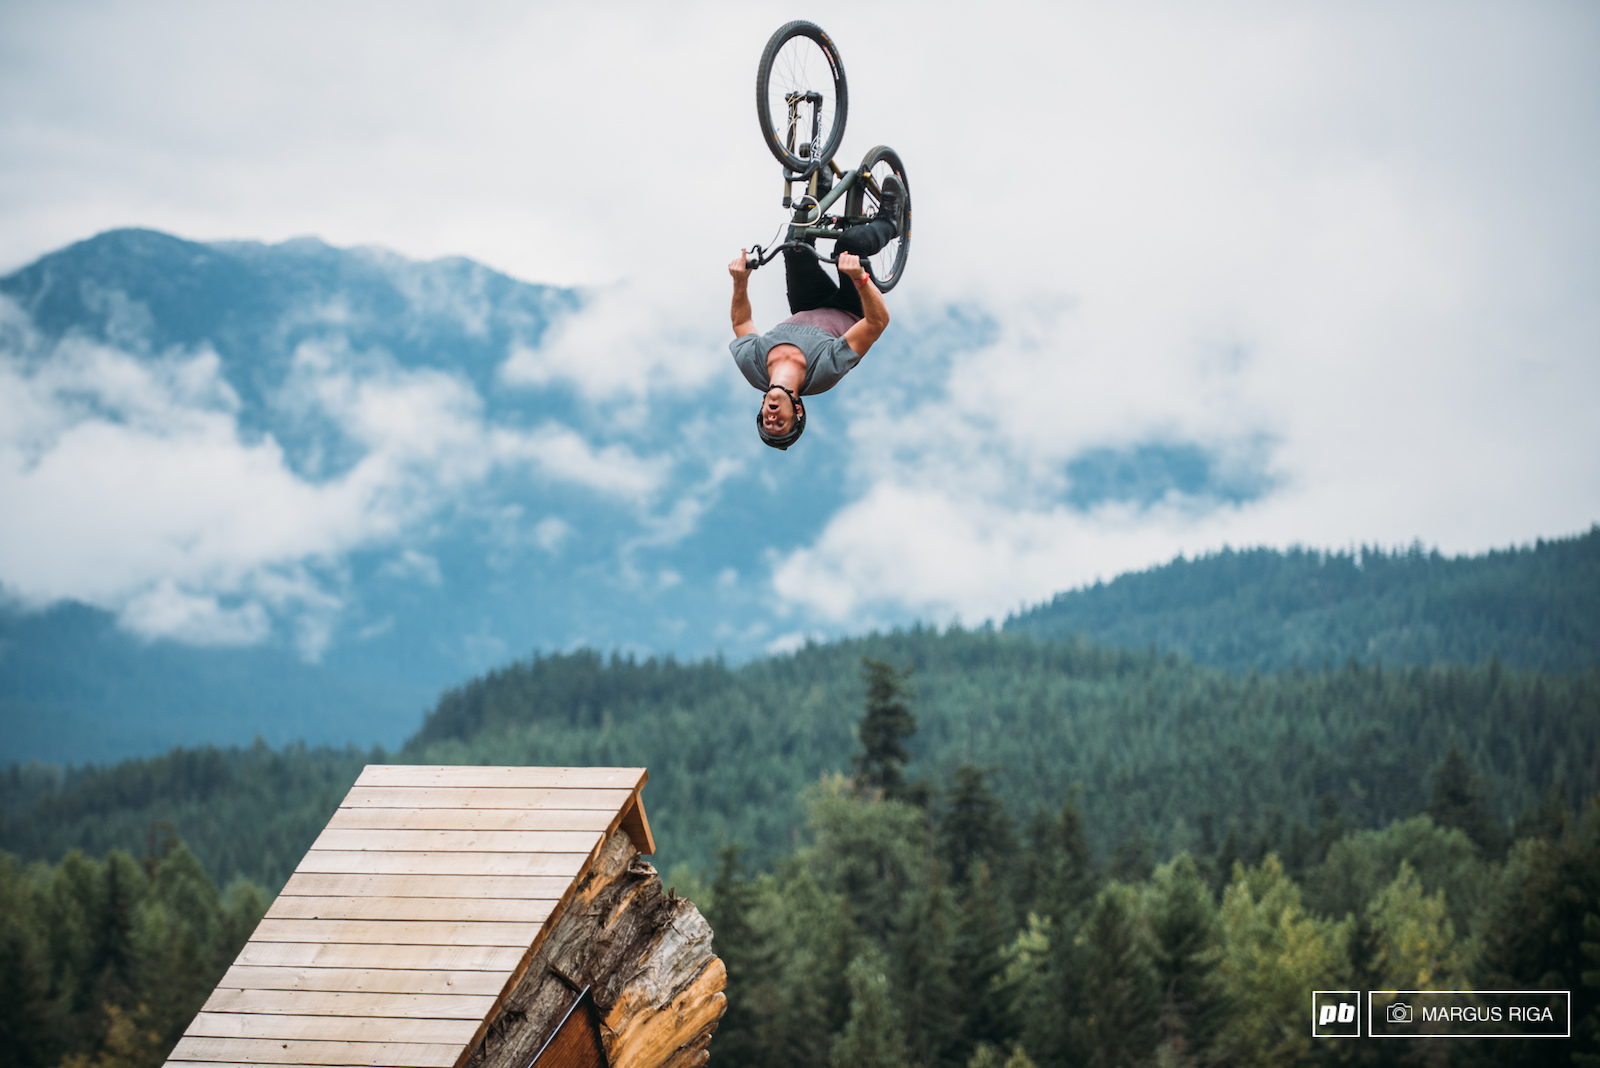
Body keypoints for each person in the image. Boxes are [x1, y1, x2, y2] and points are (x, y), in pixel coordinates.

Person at [728, 183, 902, 450]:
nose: (771, 418)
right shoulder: (823, 374)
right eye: (779, 423)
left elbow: (741, 323)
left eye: (766, 421)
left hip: (807, 305)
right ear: (797, 410)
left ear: (762, 408)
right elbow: (877, 323)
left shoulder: (753, 368)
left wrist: (740, 282)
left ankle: (819, 189)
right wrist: (859, 277)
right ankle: (890, 222)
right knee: (849, 245)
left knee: (795, 244)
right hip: (852, 308)